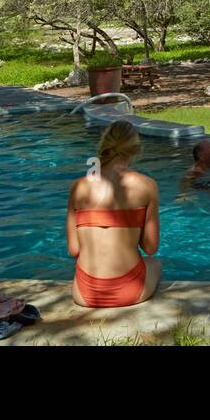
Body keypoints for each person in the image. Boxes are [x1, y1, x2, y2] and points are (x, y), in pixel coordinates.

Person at [66, 120, 162, 308]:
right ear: (135, 149)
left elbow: (74, 250)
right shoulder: (147, 185)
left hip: (86, 294)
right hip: (131, 290)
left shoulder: (78, 187)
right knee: (154, 262)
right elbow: (150, 248)